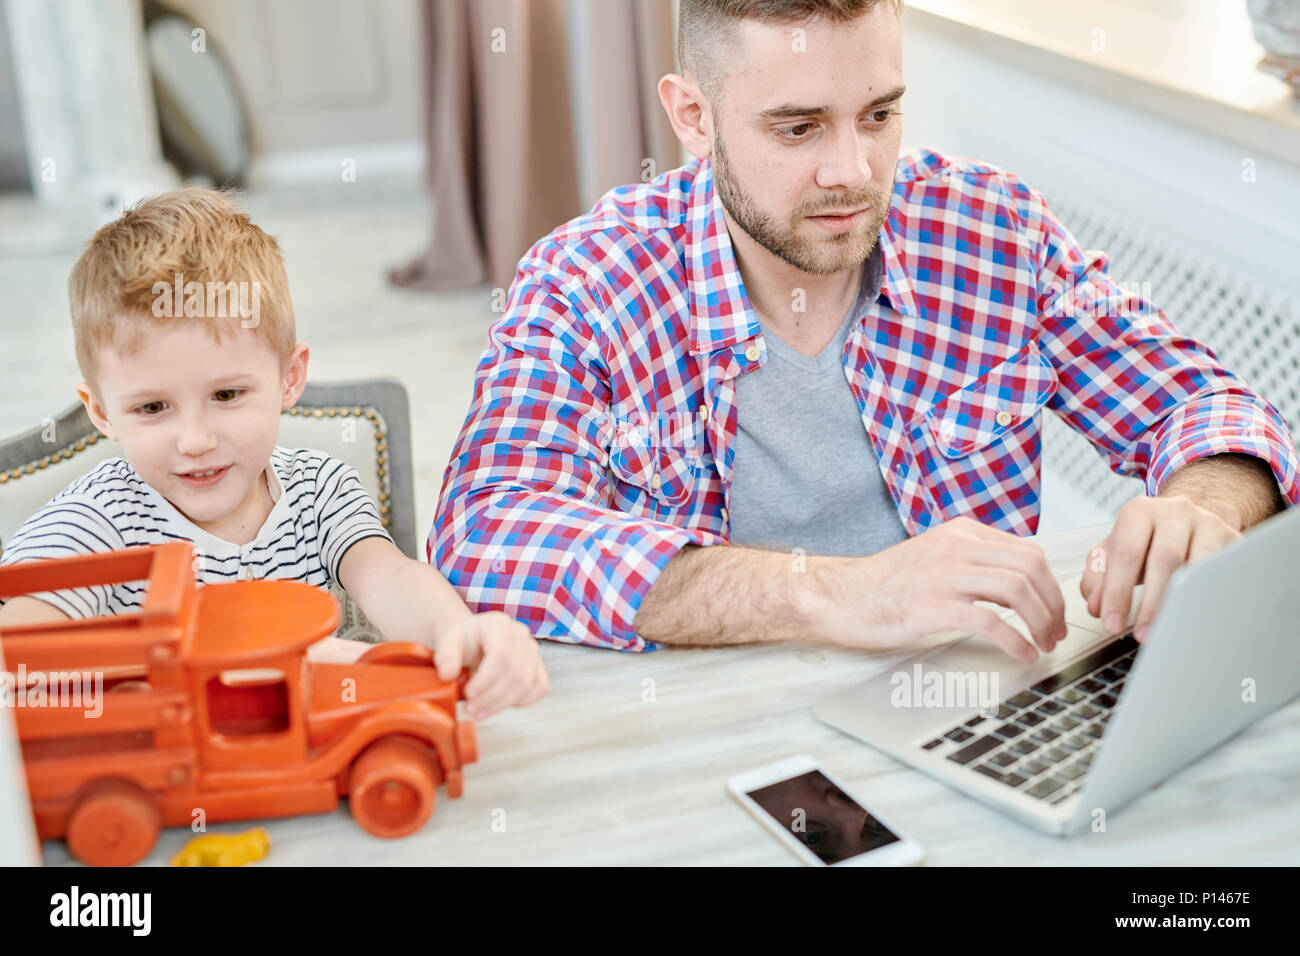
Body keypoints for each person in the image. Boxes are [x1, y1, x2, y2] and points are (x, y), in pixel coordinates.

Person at [431, 0, 1296, 660]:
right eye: (799, 128)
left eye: (878, 115)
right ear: (692, 118)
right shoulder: (586, 282)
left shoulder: (989, 230)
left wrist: (1197, 507)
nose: (852, 172)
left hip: (967, 709)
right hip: (710, 734)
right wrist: (834, 595)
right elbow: (483, 532)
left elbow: (1208, 406)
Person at [0, 188, 547, 720]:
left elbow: (389, 577)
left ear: (290, 378)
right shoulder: (98, 521)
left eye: (227, 395)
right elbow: (20, 653)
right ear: (100, 412)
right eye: (152, 408)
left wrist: (456, 632)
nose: (195, 440)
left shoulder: (321, 489)